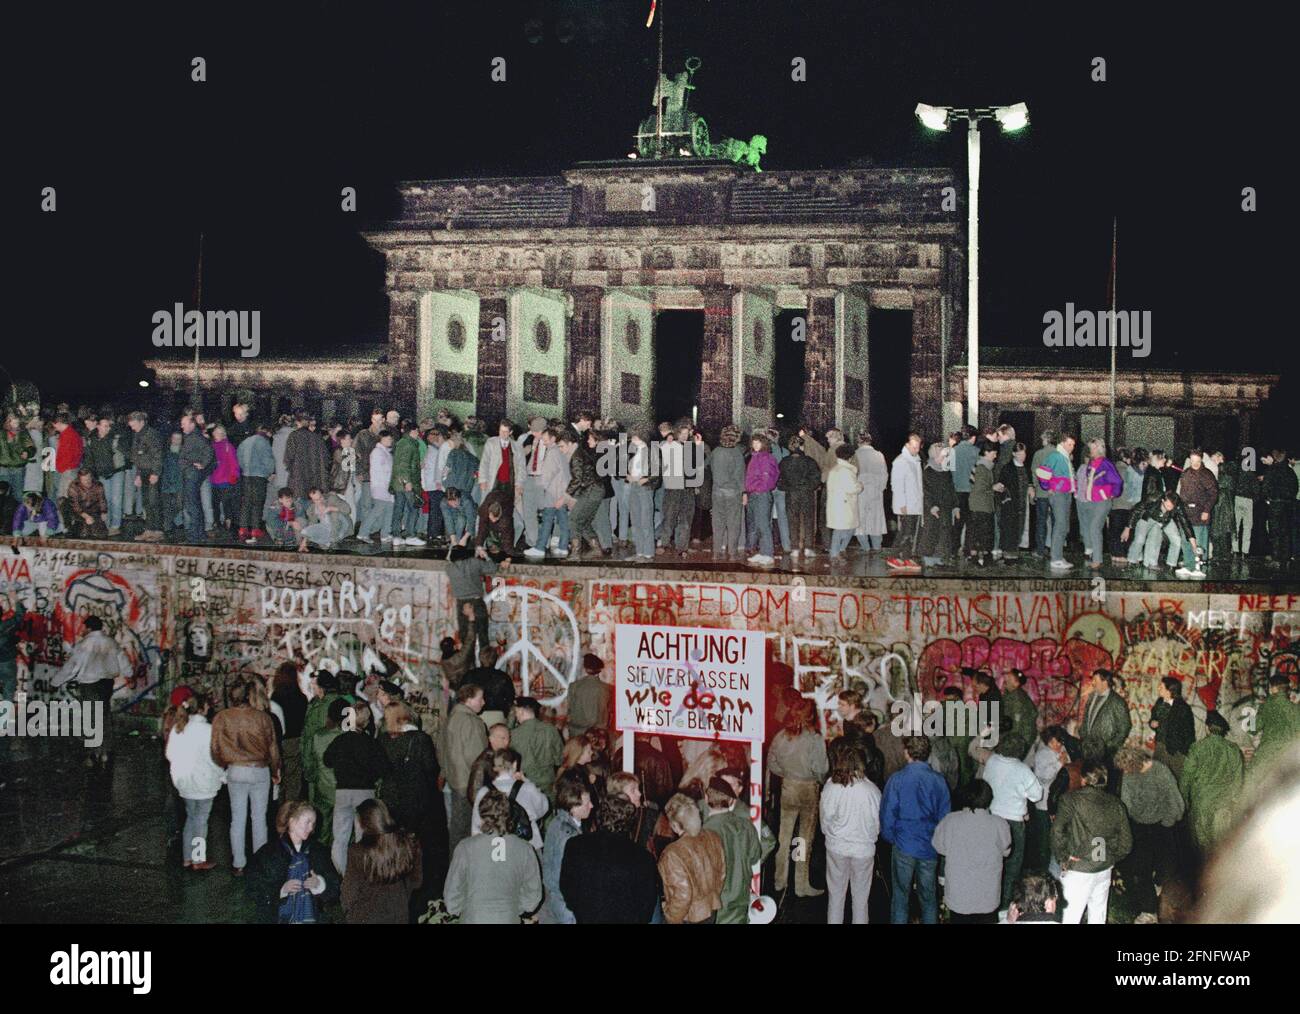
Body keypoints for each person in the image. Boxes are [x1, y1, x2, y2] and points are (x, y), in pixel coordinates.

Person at [379, 700, 448, 907]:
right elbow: (430, 767)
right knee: (417, 840)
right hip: (416, 796)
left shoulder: (383, 740)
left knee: (394, 838)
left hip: (392, 796)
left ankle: (394, 876)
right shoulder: (420, 738)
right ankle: (416, 882)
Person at [210, 679, 281, 875]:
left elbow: (215, 750)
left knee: (237, 818)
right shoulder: (263, 718)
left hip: (235, 770)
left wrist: (225, 764)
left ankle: (239, 863)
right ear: (248, 695)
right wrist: (275, 771)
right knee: (259, 819)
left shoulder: (221, 717)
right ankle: (260, 861)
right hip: (259, 770)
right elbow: (273, 749)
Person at [444, 788, 543, 924]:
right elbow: (533, 896)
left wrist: (466, 909)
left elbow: (451, 899)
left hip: (474, 918)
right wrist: (515, 908)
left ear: (482, 814)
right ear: (509, 815)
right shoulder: (525, 849)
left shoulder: (465, 848)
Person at [880, 736, 951, 923]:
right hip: (929, 845)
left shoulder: (896, 779)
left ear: (907, 753)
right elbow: (945, 818)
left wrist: (892, 838)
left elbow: (887, 815)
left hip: (904, 843)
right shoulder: (939, 781)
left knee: (900, 896)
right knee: (929, 898)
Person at [1051, 761, 1131, 923]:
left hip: (1079, 869)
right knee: (1098, 915)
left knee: (1070, 917)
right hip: (1104, 868)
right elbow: (1126, 843)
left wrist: (1063, 857)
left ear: (1083, 779)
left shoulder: (1070, 800)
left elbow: (1057, 831)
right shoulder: (1117, 804)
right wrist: (1110, 857)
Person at [560, 795, 660, 924]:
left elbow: (566, 888)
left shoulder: (575, 845)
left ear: (598, 817)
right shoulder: (643, 858)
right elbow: (646, 907)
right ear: (629, 823)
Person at [322, 700, 391, 875]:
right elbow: (383, 767)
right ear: (367, 721)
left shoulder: (340, 740)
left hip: (343, 791)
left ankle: (340, 873)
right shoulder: (370, 743)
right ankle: (362, 872)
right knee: (363, 835)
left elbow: (327, 760)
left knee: (340, 837)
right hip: (364, 791)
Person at [767, 699, 828, 897]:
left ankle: (779, 881)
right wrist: (819, 780)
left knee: (784, 837)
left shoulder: (781, 736)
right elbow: (820, 769)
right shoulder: (815, 739)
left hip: (788, 786)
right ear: (812, 716)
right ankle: (800, 885)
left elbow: (771, 762)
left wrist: (786, 773)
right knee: (803, 838)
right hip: (808, 788)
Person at [1115, 746, 1184, 919]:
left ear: (1135, 763)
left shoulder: (1160, 771)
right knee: (1140, 869)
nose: (1126, 773)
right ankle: (1148, 911)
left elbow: (1176, 802)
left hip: (1162, 826)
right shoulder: (1129, 773)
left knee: (1164, 867)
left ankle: (1158, 888)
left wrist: (1168, 821)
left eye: (1127, 769)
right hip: (1141, 827)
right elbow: (1126, 803)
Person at [972, 743, 1043, 911]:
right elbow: (1037, 795)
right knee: (1012, 868)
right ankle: (1004, 910)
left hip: (991, 817)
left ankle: (986, 903)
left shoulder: (992, 761)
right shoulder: (1023, 769)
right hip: (1014, 822)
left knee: (989, 863)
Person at [819, 737, 881, 924]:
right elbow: (876, 825)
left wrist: (832, 834)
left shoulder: (831, 786)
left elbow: (825, 820)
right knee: (861, 900)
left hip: (836, 847)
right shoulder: (872, 790)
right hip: (863, 850)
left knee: (836, 897)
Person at [245, 800, 338, 924]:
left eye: (313, 824)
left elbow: (335, 886)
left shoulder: (318, 851)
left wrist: (320, 884)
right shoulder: (269, 852)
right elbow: (254, 886)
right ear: (292, 821)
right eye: (307, 822)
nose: (310, 828)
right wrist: (281, 890)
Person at [931, 779, 1012, 923]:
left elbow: (938, 846)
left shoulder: (950, 821)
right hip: (988, 897)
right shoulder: (1000, 824)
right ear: (989, 799)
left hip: (959, 897)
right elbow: (1006, 851)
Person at [165, 692, 225, 871]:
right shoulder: (208, 730)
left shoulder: (179, 728)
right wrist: (222, 775)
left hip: (184, 782)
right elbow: (214, 757)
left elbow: (169, 754)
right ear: (202, 708)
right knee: (201, 820)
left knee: (191, 818)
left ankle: (187, 857)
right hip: (204, 782)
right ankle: (198, 859)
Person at [340, 798, 422, 924]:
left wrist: (348, 912)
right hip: (398, 911)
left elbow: (349, 892)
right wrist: (402, 897)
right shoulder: (408, 843)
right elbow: (416, 881)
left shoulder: (357, 851)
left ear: (364, 823)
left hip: (365, 915)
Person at [702, 775, 768, 924]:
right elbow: (755, 856)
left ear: (706, 798)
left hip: (716, 906)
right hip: (740, 900)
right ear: (731, 800)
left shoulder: (703, 832)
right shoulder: (745, 825)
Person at [1180, 710, 1244, 856]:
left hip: (1202, 802)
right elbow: (1238, 778)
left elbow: (1186, 777)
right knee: (1222, 846)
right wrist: (1234, 800)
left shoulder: (1197, 748)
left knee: (1203, 848)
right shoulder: (1233, 749)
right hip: (1224, 803)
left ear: (1208, 728)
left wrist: (1184, 800)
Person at [657, 791, 726, 924]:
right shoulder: (713, 838)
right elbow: (721, 874)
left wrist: (670, 919)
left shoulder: (672, 854)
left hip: (688, 917)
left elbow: (683, 895)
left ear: (676, 825)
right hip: (711, 910)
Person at [438, 682, 488, 852]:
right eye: (480, 698)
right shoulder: (472, 722)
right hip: (469, 783)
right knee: (465, 832)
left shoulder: (451, 718)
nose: (484, 702)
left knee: (456, 830)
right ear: (468, 699)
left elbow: (441, 750)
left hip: (454, 781)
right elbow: (477, 759)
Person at [471, 748, 548, 848]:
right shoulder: (528, 788)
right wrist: (526, 780)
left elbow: (476, 825)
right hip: (527, 845)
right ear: (515, 764)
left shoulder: (484, 792)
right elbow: (544, 808)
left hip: (494, 846)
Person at [540, 777, 592, 924]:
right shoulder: (569, 836)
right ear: (574, 807)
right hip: (565, 907)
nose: (592, 806)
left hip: (554, 900)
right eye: (587, 803)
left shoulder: (557, 822)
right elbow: (561, 875)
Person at [1073, 438, 1122, 569]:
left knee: (1095, 528)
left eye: (1093, 448)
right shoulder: (1091, 463)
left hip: (1102, 501)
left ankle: (1097, 560)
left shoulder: (1106, 464)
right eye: (1090, 448)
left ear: (1099, 448)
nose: (1090, 450)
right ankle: (1093, 554)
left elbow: (1117, 481)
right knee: (1089, 528)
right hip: (1091, 501)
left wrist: (1112, 494)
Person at [1035, 433, 1076, 570]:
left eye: (1073, 445)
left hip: (1065, 494)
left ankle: (1057, 556)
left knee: (1063, 526)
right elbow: (1042, 472)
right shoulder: (1056, 456)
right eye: (1070, 444)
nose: (1072, 447)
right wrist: (1049, 487)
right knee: (1060, 525)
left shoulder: (1064, 457)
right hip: (1059, 495)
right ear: (1062, 443)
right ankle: (1056, 558)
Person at [511, 696, 564, 801]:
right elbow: (560, 759)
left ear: (521, 711)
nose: (515, 715)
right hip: (548, 781)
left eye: (516, 712)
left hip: (526, 783)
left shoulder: (514, 734)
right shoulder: (551, 729)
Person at [777, 434, 822, 558]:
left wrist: (789, 487)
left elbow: (780, 481)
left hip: (791, 494)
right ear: (802, 446)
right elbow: (816, 479)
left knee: (793, 521)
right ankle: (808, 548)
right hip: (806, 494)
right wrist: (808, 487)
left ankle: (795, 548)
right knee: (808, 521)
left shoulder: (784, 462)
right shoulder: (810, 461)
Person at [1079, 668, 1132, 770]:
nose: (1092, 683)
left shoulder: (1117, 701)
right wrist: (1083, 735)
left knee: (1106, 780)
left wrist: (1110, 746)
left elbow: (1125, 726)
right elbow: (1086, 719)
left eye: (1095, 680)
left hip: (1106, 752)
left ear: (1104, 682)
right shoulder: (1091, 698)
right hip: (1089, 749)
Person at [125, 411, 165, 542]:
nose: (132, 427)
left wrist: (155, 473)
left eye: (134, 424)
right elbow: (137, 457)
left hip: (151, 472)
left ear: (141, 422)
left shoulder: (152, 434)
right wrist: (137, 474)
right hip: (142, 471)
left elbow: (158, 455)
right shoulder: (137, 434)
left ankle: (158, 531)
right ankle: (149, 530)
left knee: (154, 501)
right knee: (146, 502)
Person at [708, 424, 746, 558]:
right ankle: (732, 552)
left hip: (717, 491)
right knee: (734, 523)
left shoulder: (716, 452)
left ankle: (716, 551)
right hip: (733, 492)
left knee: (718, 522)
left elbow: (710, 469)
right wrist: (743, 492)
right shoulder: (737, 453)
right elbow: (740, 475)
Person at [744, 432, 780, 566]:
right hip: (754, 494)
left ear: (764, 443)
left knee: (763, 525)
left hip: (761, 495)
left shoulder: (766, 458)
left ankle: (768, 554)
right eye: (753, 442)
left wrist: (758, 489)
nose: (755, 445)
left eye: (758, 442)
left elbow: (768, 477)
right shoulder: (755, 457)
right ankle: (763, 552)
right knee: (756, 524)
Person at [178, 412, 214, 544]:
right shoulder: (192, 436)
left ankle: (193, 536)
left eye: (184, 424)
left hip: (192, 474)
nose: (182, 427)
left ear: (192, 424)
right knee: (195, 505)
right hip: (192, 473)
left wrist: (203, 464)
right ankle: (200, 534)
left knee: (191, 505)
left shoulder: (195, 437)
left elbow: (209, 451)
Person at [1149, 675, 1195, 777]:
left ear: (1169, 690)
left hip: (1175, 750)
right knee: (1157, 777)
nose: (1158, 688)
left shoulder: (1183, 708)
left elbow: (1188, 733)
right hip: (1160, 746)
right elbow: (1153, 718)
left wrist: (1184, 753)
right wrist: (1152, 723)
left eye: (1161, 687)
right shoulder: (1159, 702)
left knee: (1174, 779)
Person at [236, 424, 275, 543]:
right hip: (259, 476)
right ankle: (255, 529)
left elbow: (239, 456)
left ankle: (242, 529)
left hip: (247, 476)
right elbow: (268, 460)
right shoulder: (264, 442)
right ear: (265, 431)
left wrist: (245, 469)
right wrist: (270, 472)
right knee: (257, 503)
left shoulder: (246, 441)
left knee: (246, 502)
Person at [824, 443, 861, 561]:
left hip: (836, 503)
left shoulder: (834, 469)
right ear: (850, 457)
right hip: (845, 504)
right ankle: (836, 552)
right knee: (844, 529)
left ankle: (838, 550)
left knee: (840, 529)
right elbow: (852, 488)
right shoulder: (846, 471)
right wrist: (860, 486)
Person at [1178, 448, 1218, 555]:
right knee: (1186, 539)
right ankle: (1188, 564)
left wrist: (1206, 510)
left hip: (1200, 513)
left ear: (1201, 460)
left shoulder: (1207, 475)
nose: (1195, 464)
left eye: (1197, 461)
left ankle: (1199, 565)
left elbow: (1213, 494)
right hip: (1187, 512)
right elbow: (1181, 492)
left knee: (1200, 542)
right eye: (1192, 461)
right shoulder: (1185, 473)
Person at [358, 429, 396, 543]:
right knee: (377, 511)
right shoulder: (377, 452)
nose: (391, 440)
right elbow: (377, 472)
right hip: (381, 487)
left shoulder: (386, 452)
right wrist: (384, 487)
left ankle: (385, 534)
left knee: (389, 509)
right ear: (382, 439)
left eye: (391, 438)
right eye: (389, 438)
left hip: (387, 487)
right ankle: (363, 533)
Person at [854, 432, 888, 552]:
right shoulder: (879, 455)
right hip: (875, 492)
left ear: (858, 442)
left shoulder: (855, 455)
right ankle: (877, 546)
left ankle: (865, 547)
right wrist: (880, 488)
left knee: (860, 521)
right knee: (876, 520)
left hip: (860, 492)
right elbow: (884, 474)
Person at [967, 440, 999, 567]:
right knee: (982, 533)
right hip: (980, 505)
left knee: (977, 533)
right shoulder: (982, 468)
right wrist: (993, 487)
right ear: (986, 452)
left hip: (981, 505)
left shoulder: (984, 466)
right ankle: (980, 558)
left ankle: (977, 557)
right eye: (993, 453)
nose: (995, 456)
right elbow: (980, 488)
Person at [998, 668, 1038, 761]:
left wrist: (1007, 743)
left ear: (1016, 684)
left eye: (1009, 678)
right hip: (1017, 734)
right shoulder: (1009, 693)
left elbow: (1016, 726)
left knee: (1011, 761)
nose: (1006, 679)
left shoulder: (1018, 700)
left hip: (1023, 737)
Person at [567, 653, 611, 738]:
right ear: (599, 669)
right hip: (597, 736)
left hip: (576, 734)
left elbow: (569, 709)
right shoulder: (606, 689)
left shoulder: (573, 686)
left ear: (585, 668)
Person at [297, 486, 352, 552]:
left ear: (322, 494)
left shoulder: (332, 498)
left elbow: (348, 509)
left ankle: (333, 541)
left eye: (320, 497)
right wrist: (304, 542)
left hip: (342, 526)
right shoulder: (311, 509)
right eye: (316, 500)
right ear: (312, 500)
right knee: (306, 531)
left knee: (334, 513)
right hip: (326, 528)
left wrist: (331, 508)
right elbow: (312, 524)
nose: (320, 500)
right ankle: (328, 543)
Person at [61, 468, 109, 539]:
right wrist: (86, 516)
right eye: (84, 480)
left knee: (100, 534)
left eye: (88, 479)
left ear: (91, 477)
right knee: (83, 534)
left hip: (93, 510)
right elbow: (75, 505)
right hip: (79, 512)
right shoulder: (73, 487)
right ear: (79, 479)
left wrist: (104, 512)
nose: (87, 482)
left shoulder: (98, 485)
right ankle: (69, 527)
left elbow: (102, 500)